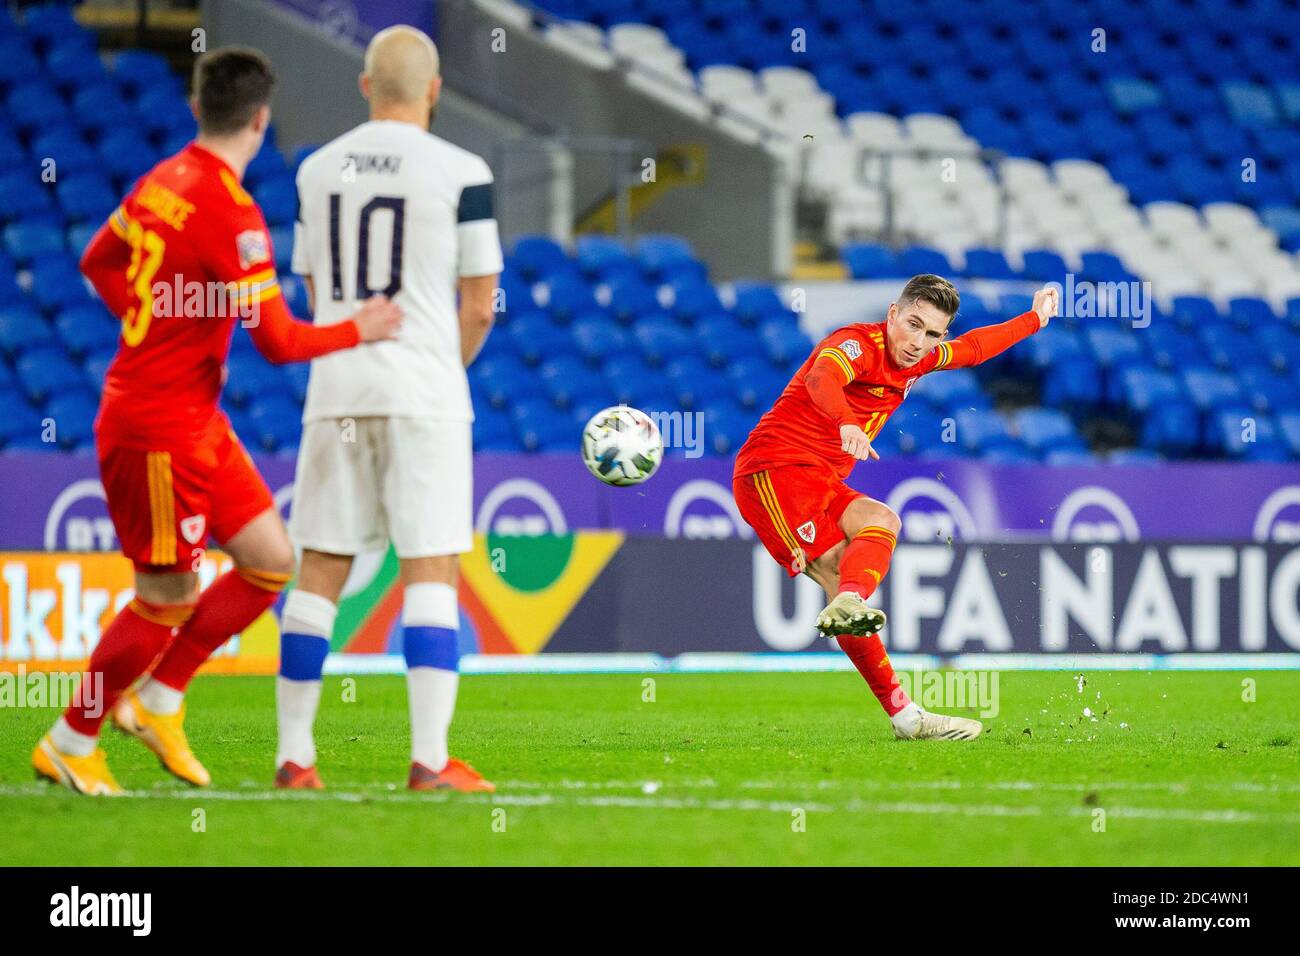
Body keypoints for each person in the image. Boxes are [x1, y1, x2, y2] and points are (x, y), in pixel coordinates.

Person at [33, 47, 403, 795]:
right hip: (158, 426)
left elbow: (99, 263)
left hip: (191, 414)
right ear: (261, 119)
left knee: (270, 559)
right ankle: (71, 738)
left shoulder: (161, 182)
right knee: (167, 597)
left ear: (198, 107)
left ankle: (162, 700)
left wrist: (161, 324)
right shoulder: (231, 214)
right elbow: (277, 342)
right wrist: (359, 326)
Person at [275, 25, 500, 791]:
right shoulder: (463, 170)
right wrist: (444, 368)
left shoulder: (315, 170)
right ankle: (430, 761)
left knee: (321, 571)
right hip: (425, 394)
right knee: (429, 568)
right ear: (435, 91)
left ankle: (294, 757)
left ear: (365, 86)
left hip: (336, 388)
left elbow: (311, 296)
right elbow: (479, 305)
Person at [732, 274, 1058, 741]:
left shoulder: (917, 361)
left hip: (821, 477)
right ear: (892, 314)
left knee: (883, 521)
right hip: (774, 471)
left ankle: (856, 610)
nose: (918, 342)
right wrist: (846, 422)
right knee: (833, 572)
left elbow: (973, 349)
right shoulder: (856, 345)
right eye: (913, 325)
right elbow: (823, 378)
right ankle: (904, 714)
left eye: (932, 334)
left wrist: (1034, 319)